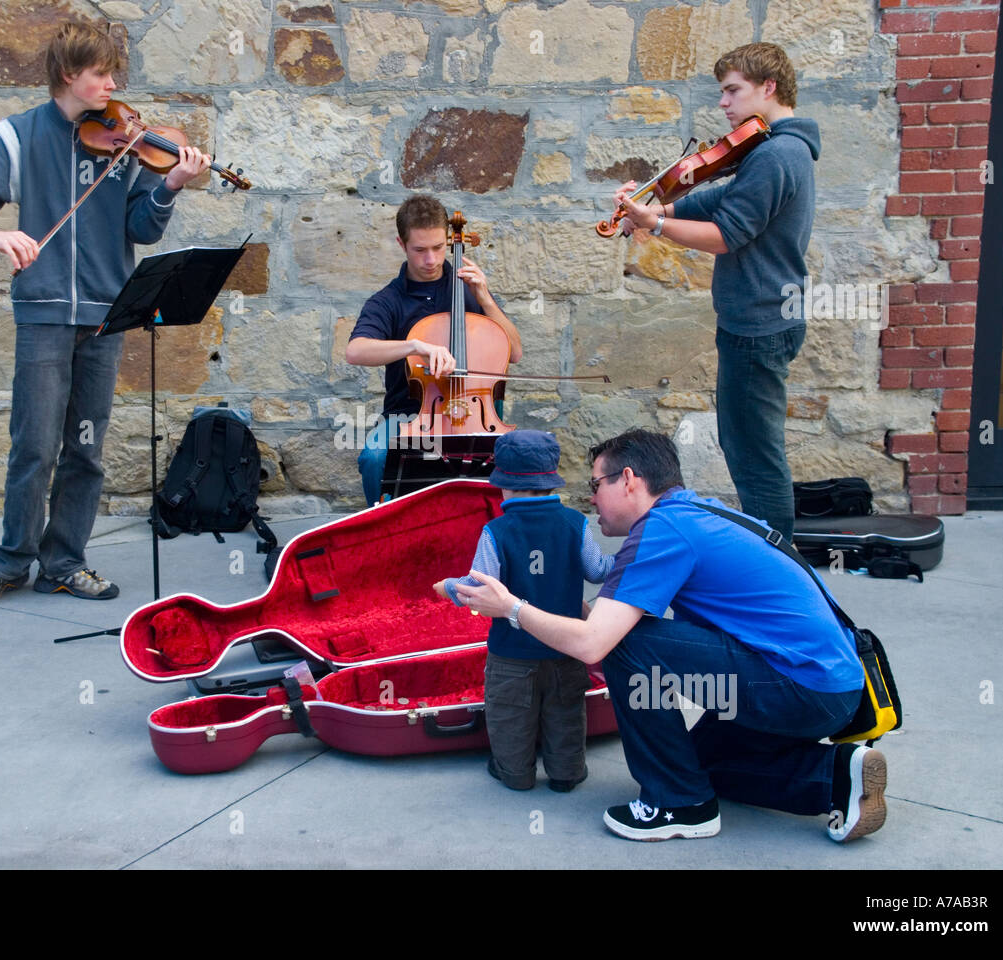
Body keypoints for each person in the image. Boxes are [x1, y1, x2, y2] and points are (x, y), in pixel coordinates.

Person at [456, 429, 884, 843]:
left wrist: (510, 607)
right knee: (694, 759)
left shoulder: (662, 530)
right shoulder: (699, 513)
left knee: (625, 642)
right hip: (833, 691)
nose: (590, 499)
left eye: (595, 484)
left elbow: (593, 643)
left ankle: (677, 803)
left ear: (627, 480)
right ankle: (836, 777)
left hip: (798, 690)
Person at [0, 22, 210, 608]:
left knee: (86, 448)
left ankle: (64, 560)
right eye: (101, 74)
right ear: (69, 76)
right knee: (34, 445)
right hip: (42, 314)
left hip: (103, 315)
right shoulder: (16, 137)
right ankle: (11, 562)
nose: (113, 85)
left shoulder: (126, 143)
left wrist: (170, 185)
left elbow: (140, 226)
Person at [612, 42, 820, 543]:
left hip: (759, 323)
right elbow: (718, 198)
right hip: (758, 319)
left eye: (733, 91)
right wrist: (653, 204)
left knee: (753, 450)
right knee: (745, 442)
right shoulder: (769, 151)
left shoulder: (776, 155)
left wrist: (656, 226)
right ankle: (774, 559)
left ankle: (779, 562)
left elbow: (727, 233)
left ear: (769, 88)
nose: (724, 104)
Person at [433, 430, 613, 792]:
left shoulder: (496, 530)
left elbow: (479, 588)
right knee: (566, 714)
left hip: (512, 655)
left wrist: (446, 587)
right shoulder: (575, 523)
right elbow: (598, 570)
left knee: (510, 716)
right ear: (549, 481)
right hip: (566, 648)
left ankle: (515, 774)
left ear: (505, 487)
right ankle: (566, 774)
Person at [346, 194, 523, 506]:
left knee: (518, 458)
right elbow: (356, 351)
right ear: (402, 245)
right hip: (410, 414)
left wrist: (484, 297)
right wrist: (414, 346)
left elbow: (515, 353)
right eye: (420, 250)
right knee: (373, 457)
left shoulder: (467, 290)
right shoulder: (388, 301)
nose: (431, 260)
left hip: (478, 412)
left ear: (448, 242)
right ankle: (383, 530)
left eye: (439, 248)